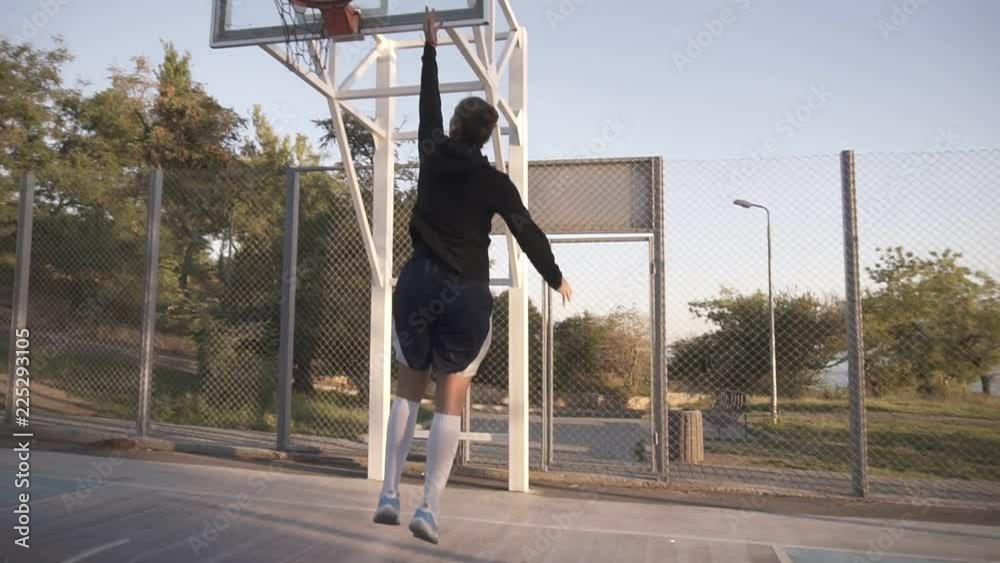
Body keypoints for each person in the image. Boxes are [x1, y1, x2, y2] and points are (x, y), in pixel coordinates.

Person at [372, 9, 573, 545]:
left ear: (455, 129)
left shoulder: (434, 154)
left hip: (419, 284)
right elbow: (527, 232)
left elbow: (427, 106)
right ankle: (429, 509)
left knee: (407, 391)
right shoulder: (496, 182)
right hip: (465, 295)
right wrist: (554, 276)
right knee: (450, 398)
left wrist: (431, 48)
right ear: (487, 136)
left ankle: (389, 492)